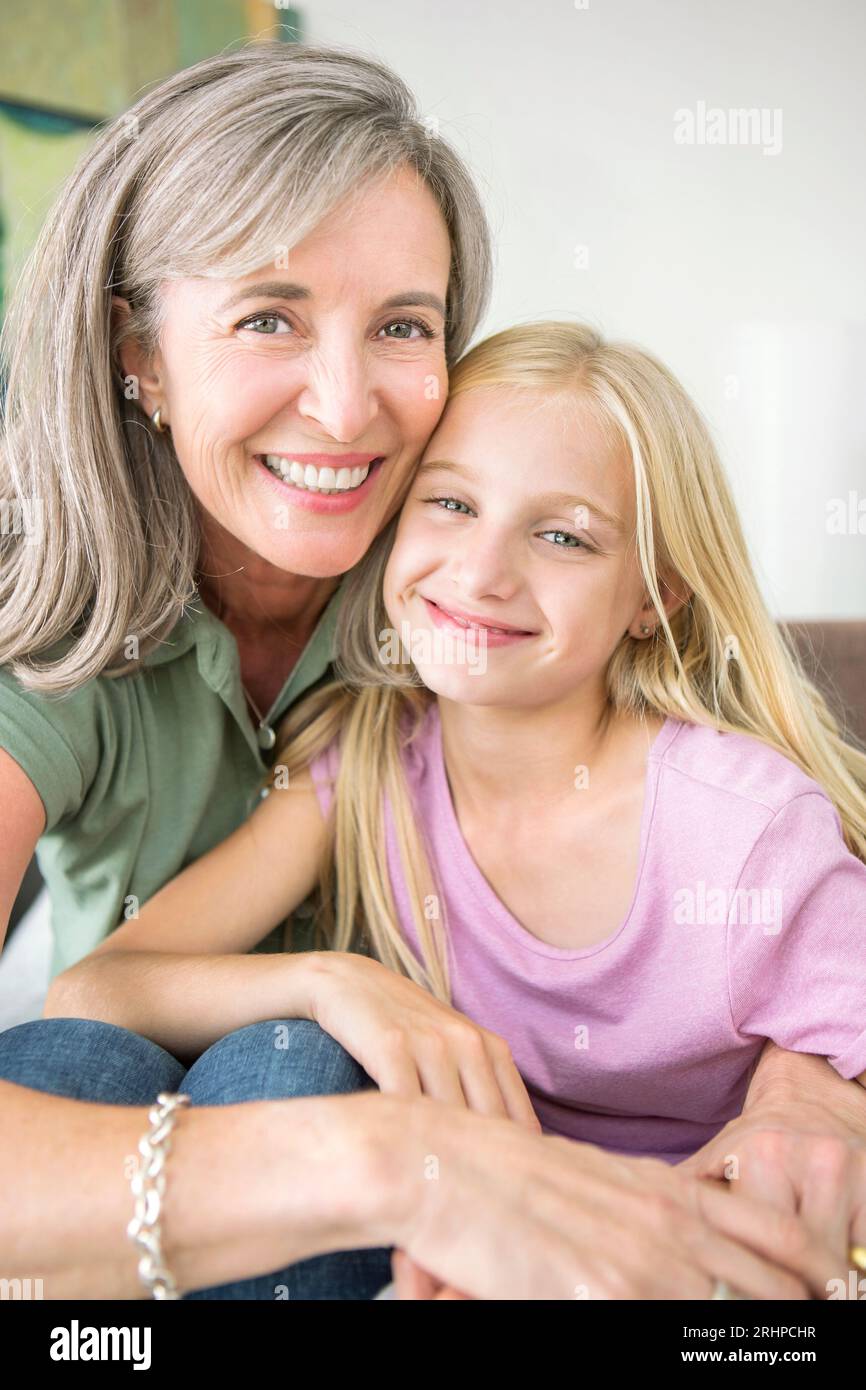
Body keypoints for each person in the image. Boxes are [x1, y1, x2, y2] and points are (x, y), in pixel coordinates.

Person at [1, 43, 864, 1301]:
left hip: (439, 1180)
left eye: (401, 324)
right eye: (267, 316)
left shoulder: (457, 601)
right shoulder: (89, 639)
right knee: (99, 1059)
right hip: (238, 1129)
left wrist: (811, 1084)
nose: (346, 409)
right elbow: (94, 999)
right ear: (139, 354)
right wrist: (360, 1049)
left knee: (288, 1064)